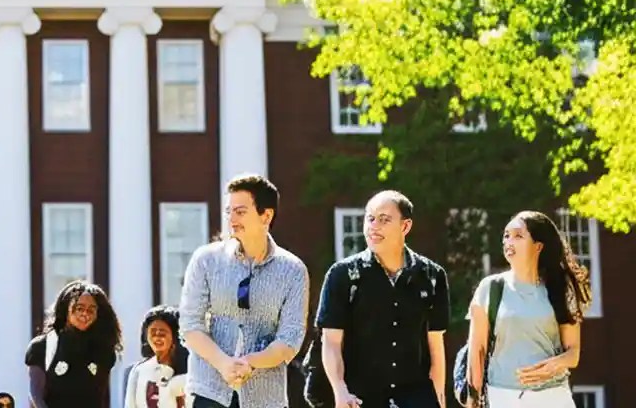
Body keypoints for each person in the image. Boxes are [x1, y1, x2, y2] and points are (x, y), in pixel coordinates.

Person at [179, 174, 309, 408]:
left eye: (240, 212)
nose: (231, 219)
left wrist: (250, 362)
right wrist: (224, 364)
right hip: (210, 391)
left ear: (266, 215)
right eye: (229, 212)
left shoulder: (293, 270)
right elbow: (190, 325)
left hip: (265, 397)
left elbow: (290, 339)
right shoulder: (206, 260)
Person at [316, 190, 450, 408]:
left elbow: (435, 345)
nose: (373, 226)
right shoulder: (342, 275)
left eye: (384, 219)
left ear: (405, 226)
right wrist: (340, 391)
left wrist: (440, 400)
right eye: (369, 218)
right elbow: (330, 342)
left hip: (416, 398)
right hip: (360, 398)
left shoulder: (432, 276)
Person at [463, 211, 591, 408]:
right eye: (506, 236)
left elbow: (573, 354)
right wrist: (473, 400)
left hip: (554, 396)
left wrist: (553, 365)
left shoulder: (560, 289)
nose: (509, 242)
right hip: (504, 397)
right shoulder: (490, 288)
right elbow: (477, 351)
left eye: (518, 236)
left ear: (538, 246)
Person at [24, 280, 123, 408]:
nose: (85, 314)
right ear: (66, 309)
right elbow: (35, 396)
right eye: (79, 308)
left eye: (91, 310)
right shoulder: (42, 346)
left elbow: (103, 397)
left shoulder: (103, 349)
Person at [124, 305, 190, 408]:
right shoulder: (139, 371)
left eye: (162, 333)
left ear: (175, 336)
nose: (157, 338)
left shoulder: (190, 371)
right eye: (153, 332)